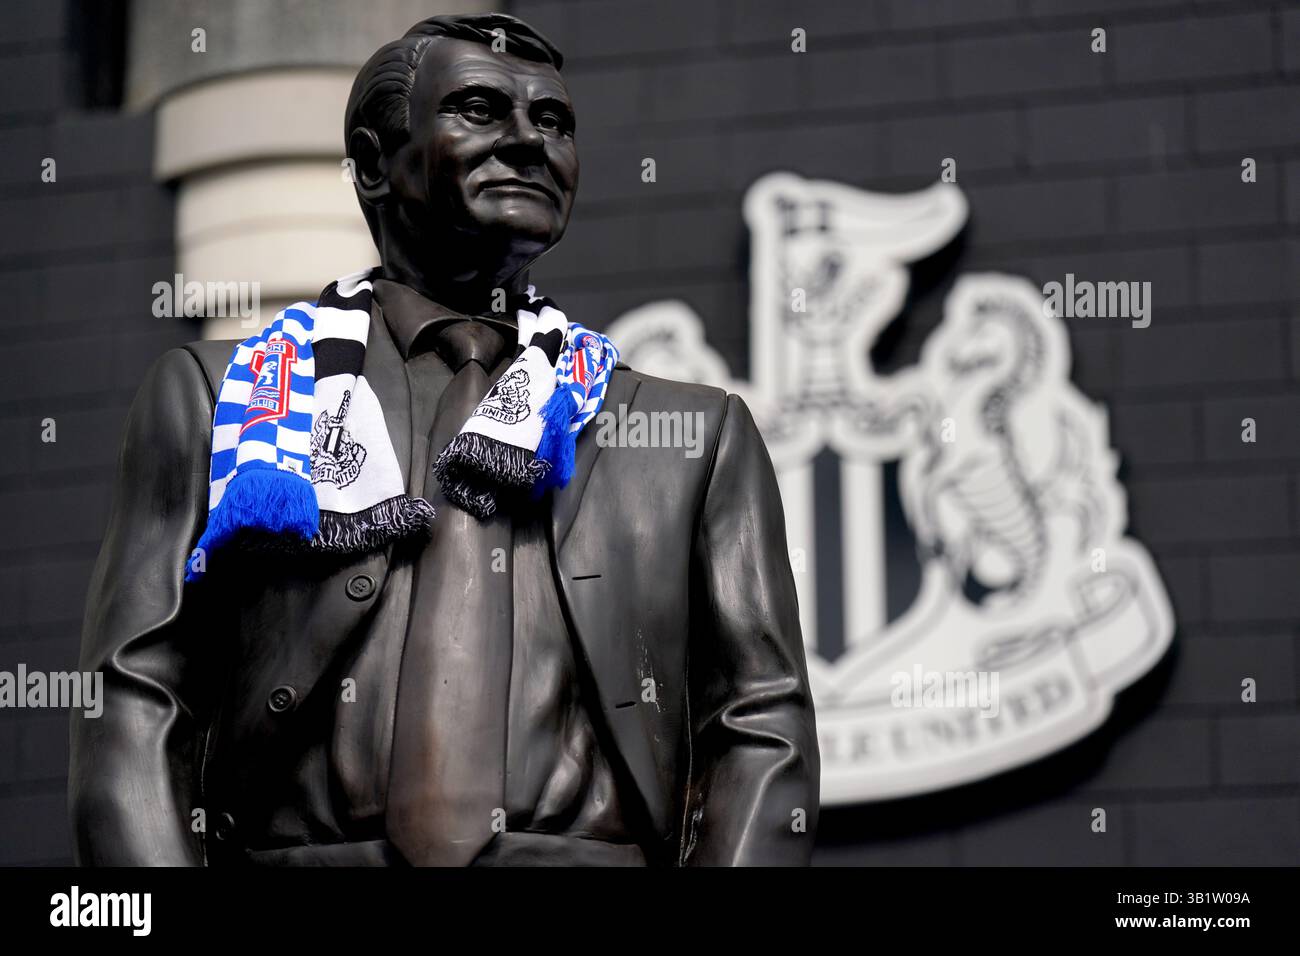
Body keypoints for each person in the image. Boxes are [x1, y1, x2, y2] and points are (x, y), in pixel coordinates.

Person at [69, 12, 818, 867]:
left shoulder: (691, 440)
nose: (529, 142)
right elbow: (134, 703)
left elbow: (759, 724)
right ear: (373, 163)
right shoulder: (231, 406)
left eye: (554, 121)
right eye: (480, 109)